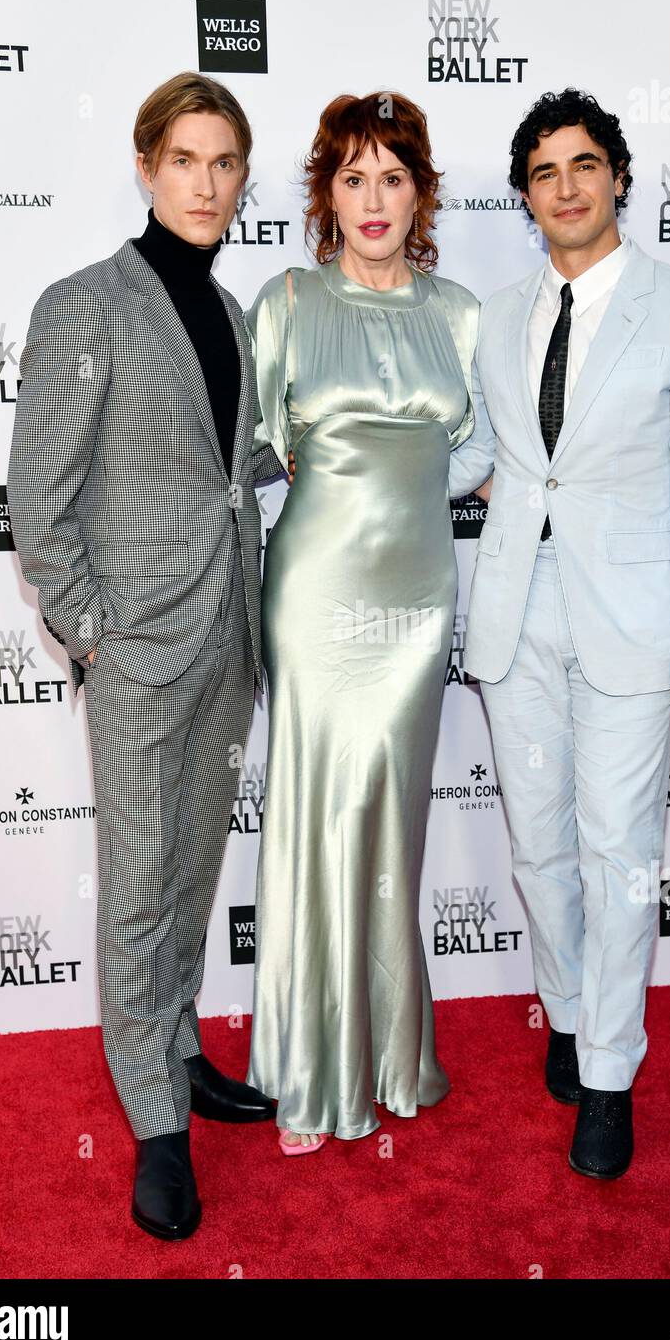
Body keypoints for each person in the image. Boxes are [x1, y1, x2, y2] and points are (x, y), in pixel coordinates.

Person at [6, 72, 280, 1241]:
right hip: (137, 645)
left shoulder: (227, 315)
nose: (206, 184)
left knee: (186, 874)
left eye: (225, 164)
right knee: (134, 888)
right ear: (145, 165)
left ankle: (177, 1045)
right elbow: (37, 495)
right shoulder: (87, 301)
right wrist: (89, 630)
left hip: (227, 635)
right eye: (186, 161)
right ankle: (155, 1125)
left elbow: (234, 467)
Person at [460, 89, 670, 1178]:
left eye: (582, 165)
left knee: (620, 854)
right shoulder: (491, 315)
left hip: (632, 624)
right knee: (538, 847)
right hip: (513, 616)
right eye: (542, 172)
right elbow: (474, 453)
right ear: (525, 196)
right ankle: (568, 1011)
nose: (564, 187)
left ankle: (611, 1074)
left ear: (616, 176)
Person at [243, 92, 495, 1153]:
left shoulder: (460, 312)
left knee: (391, 817)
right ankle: (309, 1066)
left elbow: (482, 450)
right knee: (313, 809)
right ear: (324, 193)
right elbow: (254, 443)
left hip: (416, 598)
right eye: (351, 177)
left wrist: (413, 489)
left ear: (420, 191)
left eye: (392, 176)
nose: (373, 199)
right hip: (313, 593)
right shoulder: (288, 299)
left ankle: (390, 1052)